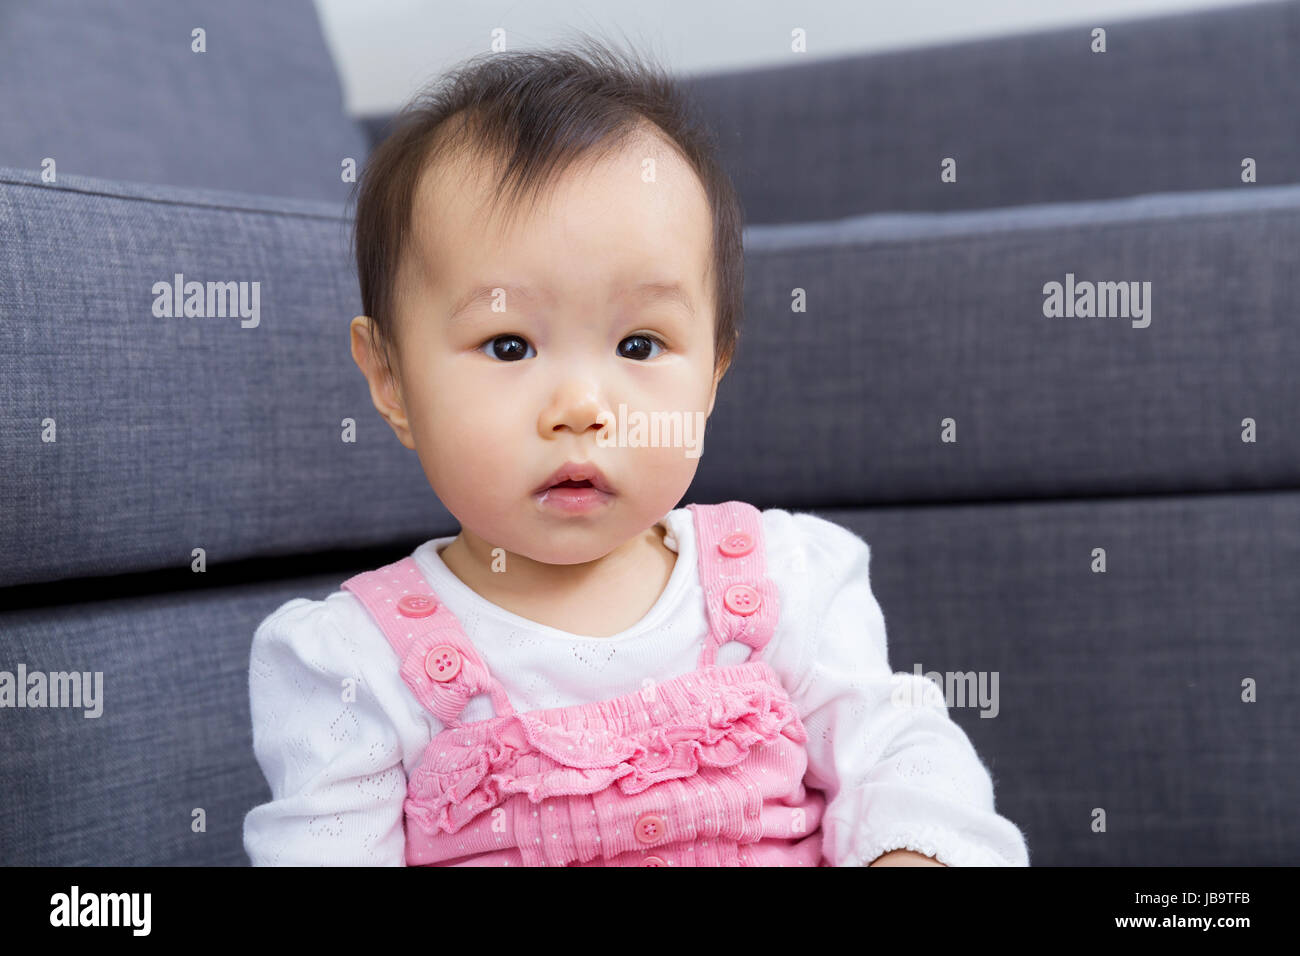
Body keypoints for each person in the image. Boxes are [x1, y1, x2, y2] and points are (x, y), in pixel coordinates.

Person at [243, 34, 1030, 867]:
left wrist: (911, 851)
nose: (582, 409)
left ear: (714, 373)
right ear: (392, 379)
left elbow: (902, 750)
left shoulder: (783, 584)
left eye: (641, 345)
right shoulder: (356, 664)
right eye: (509, 346)